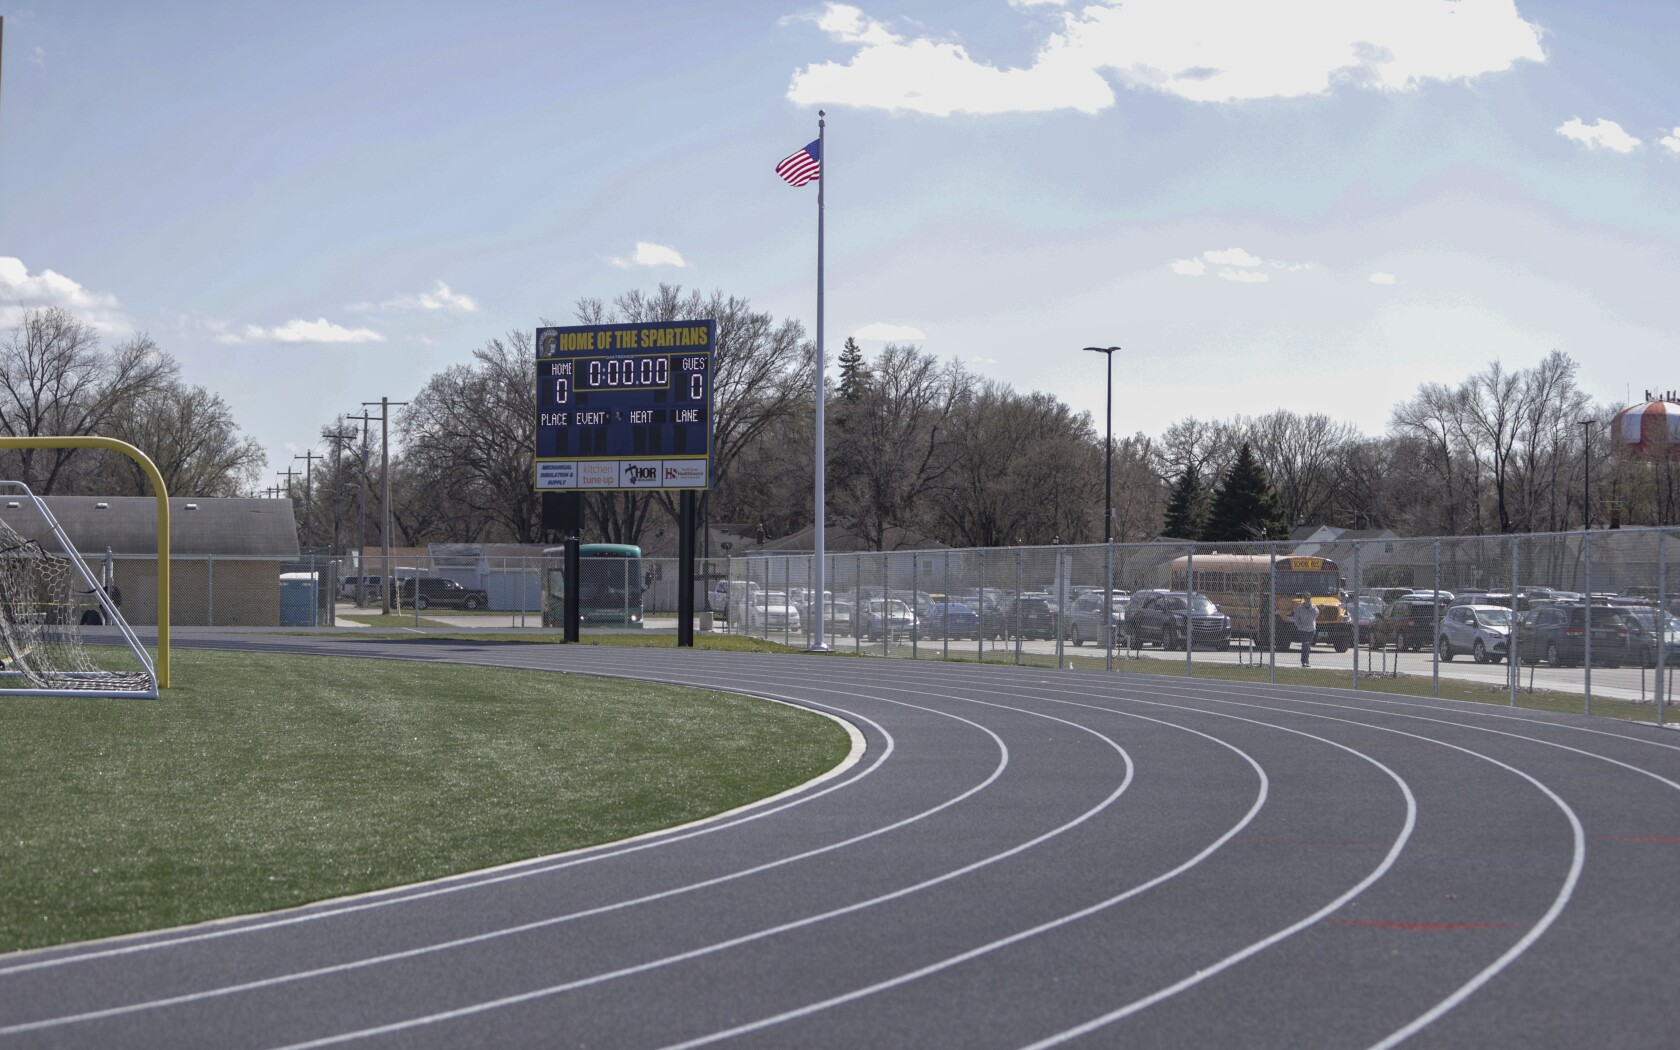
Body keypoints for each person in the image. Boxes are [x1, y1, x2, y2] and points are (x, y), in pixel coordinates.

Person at [1291, 592, 1319, 666]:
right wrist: (1299, 626)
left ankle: (1306, 660)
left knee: (1307, 645)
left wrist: (1310, 607)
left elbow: (1316, 615)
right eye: (1306, 598)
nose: (1307, 599)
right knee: (1305, 643)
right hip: (1302, 630)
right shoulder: (1300, 608)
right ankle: (1304, 661)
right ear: (1304, 598)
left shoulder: (1313, 607)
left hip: (1311, 629)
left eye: (1308, 598)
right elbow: (1296, 618)